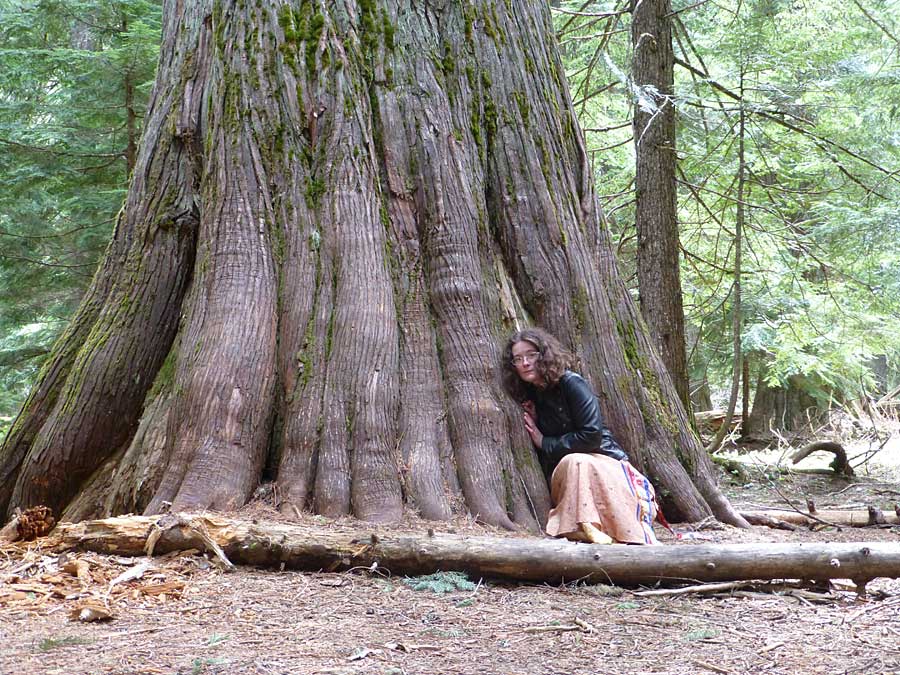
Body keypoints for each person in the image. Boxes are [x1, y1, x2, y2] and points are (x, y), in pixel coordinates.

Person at [501, 327, 660, 545]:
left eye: (531, 355)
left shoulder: (571, 383)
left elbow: (591, 435)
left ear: (544, 355)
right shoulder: (531, 395)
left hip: (603, 460)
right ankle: (581, 527)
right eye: (518, 359)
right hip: (567, 472)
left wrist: (543, 441)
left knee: (577, 461)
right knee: (573, 462)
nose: (525, 363)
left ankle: (593, 526)